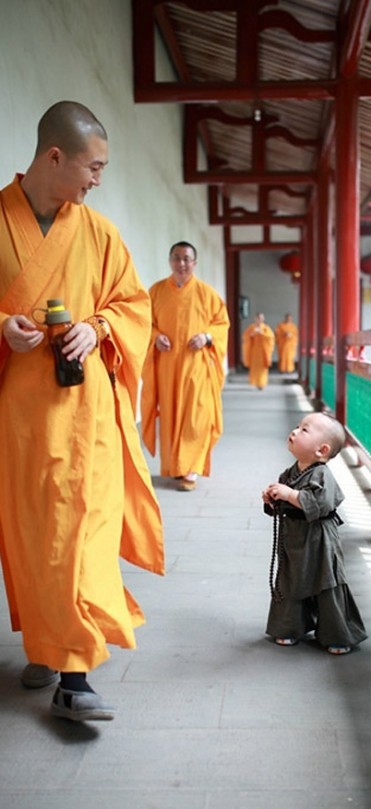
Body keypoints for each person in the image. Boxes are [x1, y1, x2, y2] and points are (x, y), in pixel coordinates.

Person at [0, 101, 164, 721]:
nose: (98, 179)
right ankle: (47, 642)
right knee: (35, 538)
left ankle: (76, 674)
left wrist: (97, 329)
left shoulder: (98, 233)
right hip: (20, 419)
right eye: (93, 167)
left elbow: (132, 303)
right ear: (54, 157)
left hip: (87, 412)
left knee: (82, 534)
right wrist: (2, 328)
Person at [262, 412, 367, 654]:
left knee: (326, 582)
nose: (295, 431)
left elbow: (320, 504)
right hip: (295, 535)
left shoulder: (322, 474)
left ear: (322, 450)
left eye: (305, 430)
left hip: (319, 538)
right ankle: (289, 627)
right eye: (298, 426)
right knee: (290, 578)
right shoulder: (290, 473)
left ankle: (337, 634)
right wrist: (272, 500)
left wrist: (289, 494)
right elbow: (285, 504)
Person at [141, 242, 230, 492]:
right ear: (170, 261)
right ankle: (175, 467)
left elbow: (221, 324)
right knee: (170, 415)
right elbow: (143, 322)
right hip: (168, 367)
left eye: (187, 259)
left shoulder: (207, 293)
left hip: (196, 366)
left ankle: (191, 469)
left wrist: (207, 337)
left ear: (195, 263)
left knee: (196, 416)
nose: (182, 263)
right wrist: (155, 336)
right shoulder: (156, 292)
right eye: (177, 258)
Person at [242, 313, 274, 389]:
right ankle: (255, 382)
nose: (260, 320)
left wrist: (262, 333)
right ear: (255, 319)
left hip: (263, 351)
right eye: (258, 318)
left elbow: (271, 338)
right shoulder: (251, 327)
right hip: (254, 351)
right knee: (255, 367)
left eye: (261, 318)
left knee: (263, 368)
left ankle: (262, 383)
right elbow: (245, 336)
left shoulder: (266, 328)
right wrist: (251, 335)